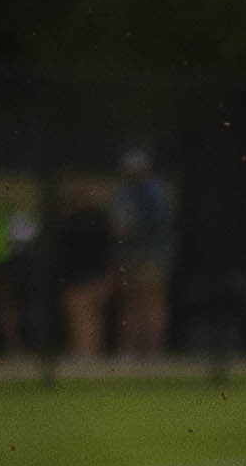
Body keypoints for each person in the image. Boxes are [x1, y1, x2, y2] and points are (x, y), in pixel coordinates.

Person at [111, 148, 177, 361]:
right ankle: (133, 350)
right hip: (133, 254)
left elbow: (154, 224)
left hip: (150, 254)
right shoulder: (126, 191)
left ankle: (153, 351)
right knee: (132, 303)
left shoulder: (153, 192)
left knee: (151, 301)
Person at [52, 176, 119, 361]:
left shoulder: (73, 222)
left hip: (80, 277)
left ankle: (85, 355)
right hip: (94, 275)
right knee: (93, 318)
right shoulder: (100, 220)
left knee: (81, 318)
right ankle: (90, 354)